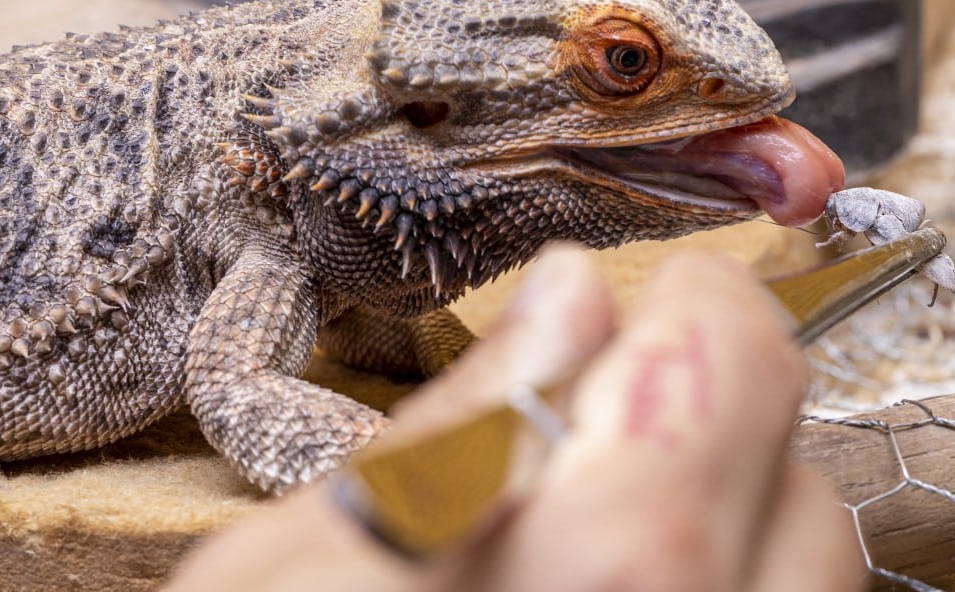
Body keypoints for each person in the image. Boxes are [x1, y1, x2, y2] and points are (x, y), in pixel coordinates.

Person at [167, 246, 865, 591]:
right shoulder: (271, 247)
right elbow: (234, 387)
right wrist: (425, 470)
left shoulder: (330, 266)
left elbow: (344, 320)